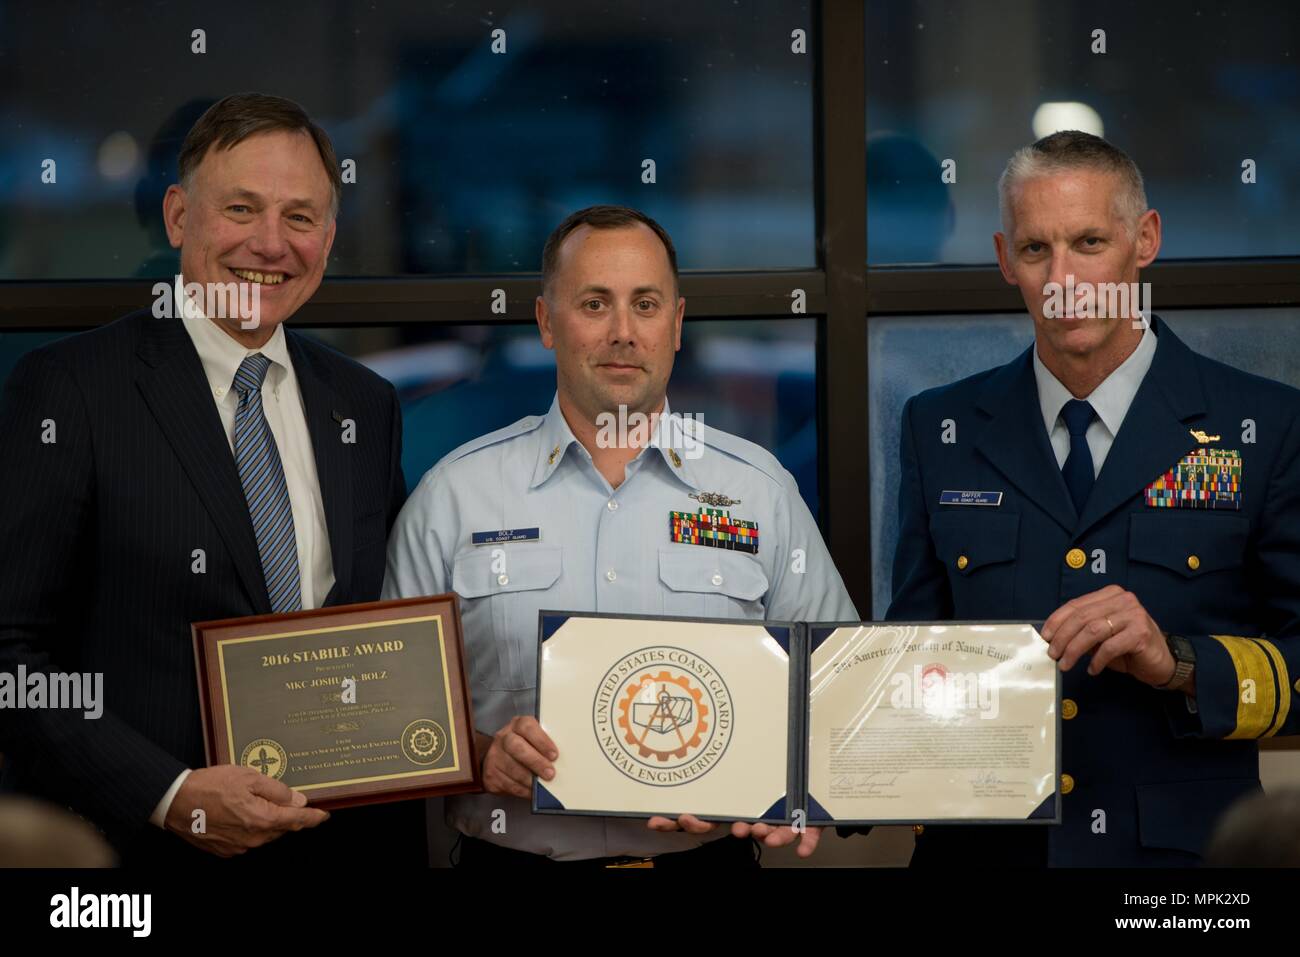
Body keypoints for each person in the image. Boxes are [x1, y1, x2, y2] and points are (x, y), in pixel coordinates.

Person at [0, 92, 423, 865]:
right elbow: (10, 652)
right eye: (240, 209)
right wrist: (169, 793)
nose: (270, 243)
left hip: (339, 852)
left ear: (327, 238)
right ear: (177, 218)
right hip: (140, 856)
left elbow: (379, 633)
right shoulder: (72, 389)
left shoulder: (364, 404)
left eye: (299, 218)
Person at [383, 204, 857, 867]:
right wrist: (484, 754)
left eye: (646, 303)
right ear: (547, 322)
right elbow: (389, 718)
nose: (624, 332)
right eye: (595, 303)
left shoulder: (760, 492)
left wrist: (780, 785)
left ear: (677, 322)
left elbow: (839, 695)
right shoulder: (454, 496)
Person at [887, 130, 1300, 866]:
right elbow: (911, 657)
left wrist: (1176, 661)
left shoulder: (1265, 426)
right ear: (1005, 259)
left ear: (1145, 240)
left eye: (1088, 241)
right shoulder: (938, 427)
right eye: (1038, 249)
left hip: (1177, 868)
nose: (1065, 278)